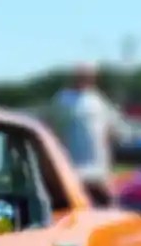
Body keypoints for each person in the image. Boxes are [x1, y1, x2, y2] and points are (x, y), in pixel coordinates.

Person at [48, 63, 115, 206]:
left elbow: (109, 127)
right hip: (74, 164)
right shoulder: (63, 99)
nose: (86, 80)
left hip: (98, 165)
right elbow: (53, 127)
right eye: (83, 76)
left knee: (103, 203)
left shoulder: (98, 99)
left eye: (89, 76)